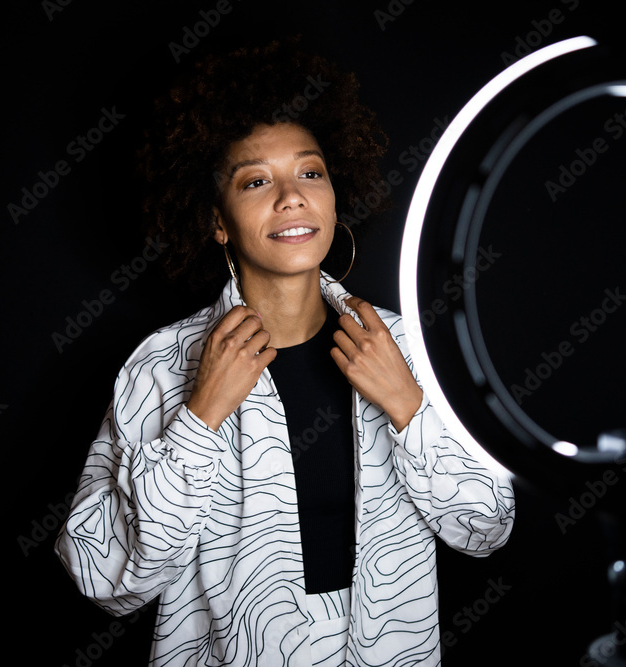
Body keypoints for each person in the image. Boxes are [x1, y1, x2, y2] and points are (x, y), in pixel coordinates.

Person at [55, 39, 515, 667]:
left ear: (333, 192)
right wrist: (199, 421)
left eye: (310, 172)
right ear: (218, 221)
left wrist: (408, 405)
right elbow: (105, 580)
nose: (291, 197)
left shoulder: (407, 344)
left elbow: (488, 529)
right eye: (255, 181)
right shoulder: (161, 366)